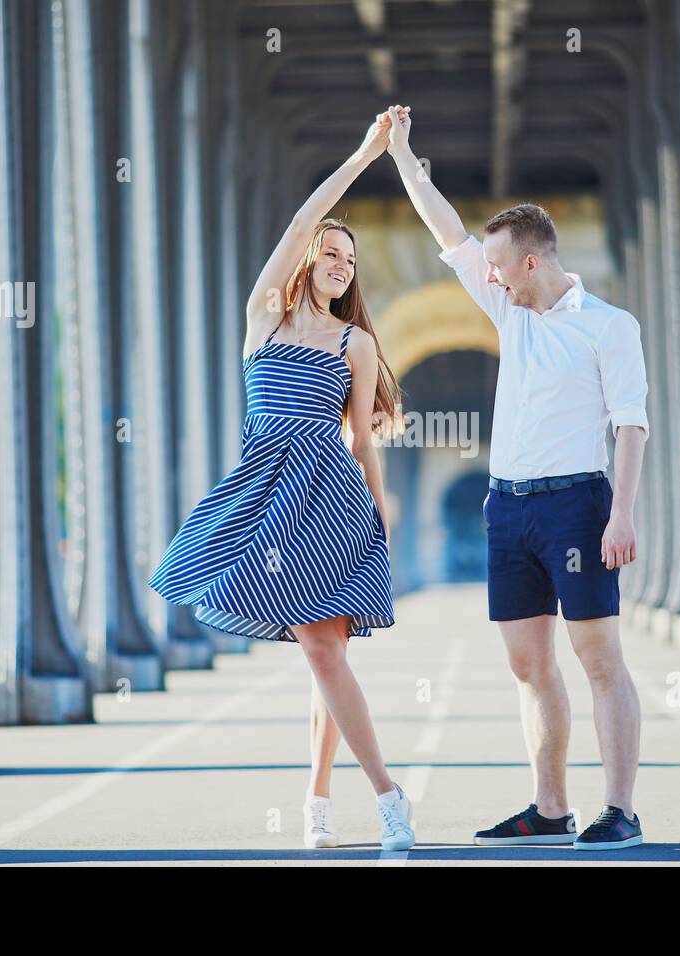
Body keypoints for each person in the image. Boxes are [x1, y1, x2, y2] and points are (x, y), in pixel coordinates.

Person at [148, 112, 415, 852]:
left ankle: (372, 799)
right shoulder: (262, 319)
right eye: (330, 253)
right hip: (265, 495)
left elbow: (361, 439)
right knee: (319, 651)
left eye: (350, 261)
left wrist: (380, 514)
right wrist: (367, 153)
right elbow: (303, 215)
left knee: (327, 651)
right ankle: (331, 798)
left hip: (330, 501)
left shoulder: (355, 342)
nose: (340, 265)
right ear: (305, 261)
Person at [385, 105, 650, 850]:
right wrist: (405, 156)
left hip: (577, 505)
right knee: (528, 664)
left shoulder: (609, 327)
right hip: (508, 511)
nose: (489, 275)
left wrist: (620, 515)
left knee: (599, 658)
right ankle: (550, 805)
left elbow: (631, 425)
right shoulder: (512, 313)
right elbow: (448, 233)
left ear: (532, 261)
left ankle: (620, 809)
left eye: (499, 265)